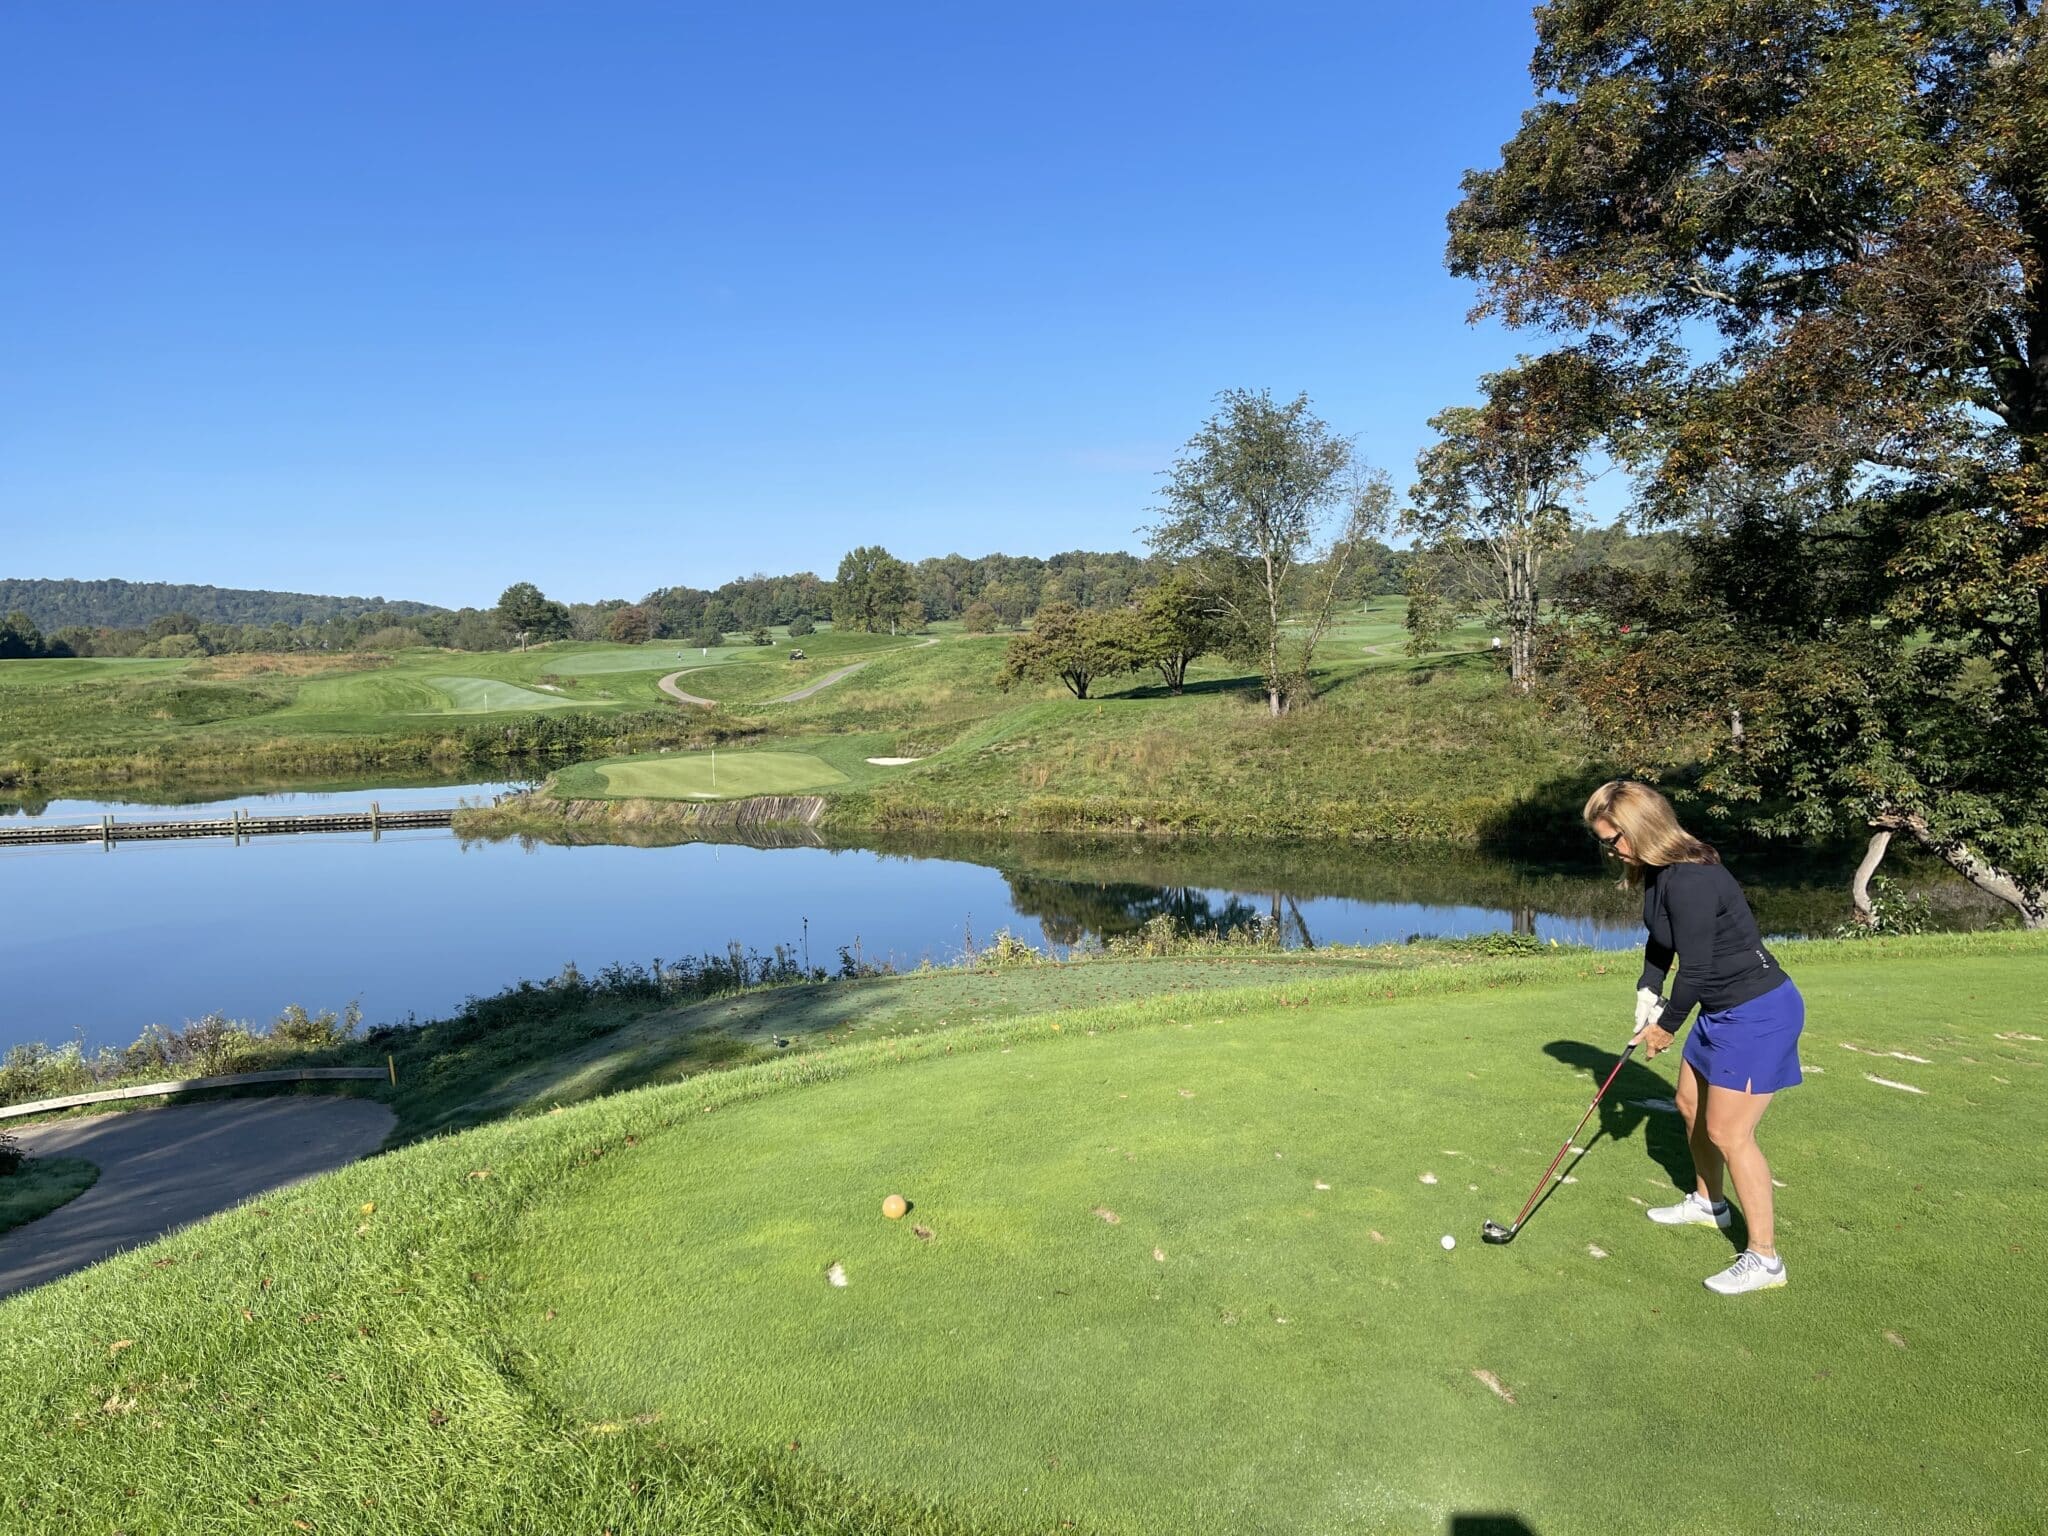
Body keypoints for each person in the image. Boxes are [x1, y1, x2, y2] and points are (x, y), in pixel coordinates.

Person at [1583, 779, 1805, 1295]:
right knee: (1688, 1103)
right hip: (1721, 1009)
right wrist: (1647, 986)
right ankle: (1710, 1204)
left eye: (1612, 839)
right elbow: (1663, 940)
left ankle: (1766, 1259)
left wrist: (1664, 1026)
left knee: (1731, 1134)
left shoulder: (1692, 879)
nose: (1610, 851)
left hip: (1758, 1012)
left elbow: (1699, 969)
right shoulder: (1658, 873)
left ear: (1639, 829)